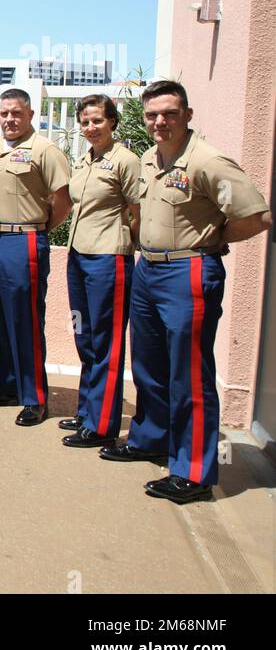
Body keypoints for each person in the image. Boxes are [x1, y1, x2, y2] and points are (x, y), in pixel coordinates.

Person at [100, 81, 270, 504]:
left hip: (188, 273)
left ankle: (193, 472)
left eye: (170, 113)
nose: (160, 122)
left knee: (189, 374)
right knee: (149, 364)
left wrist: (212, 241)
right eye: (153, 115)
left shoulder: (208, 161)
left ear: (187, 116)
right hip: (148, 272)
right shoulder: (148, 159)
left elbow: (257, 216)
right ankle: (151, 438)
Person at [0, 88, 71, 426]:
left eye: (17, 113)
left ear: (30, 115)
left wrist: (40, 228)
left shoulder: (45, 150)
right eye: (4, 114)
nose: (10, 120)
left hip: (25, 240)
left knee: (25, 322)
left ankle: (34, 397)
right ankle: (0, 387)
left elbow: (63, 199)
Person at [60, 93, 141, 448]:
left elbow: (138, 211)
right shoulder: (83, 160)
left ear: (112, 122)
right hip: (78, 258)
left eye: (97, 121)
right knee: (84, 336)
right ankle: (87, 411)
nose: (90, 128)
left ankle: (102, 424)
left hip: (109, 260)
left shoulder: (125, 160)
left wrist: (127, 245)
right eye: (85, 122)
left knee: (105, 342)